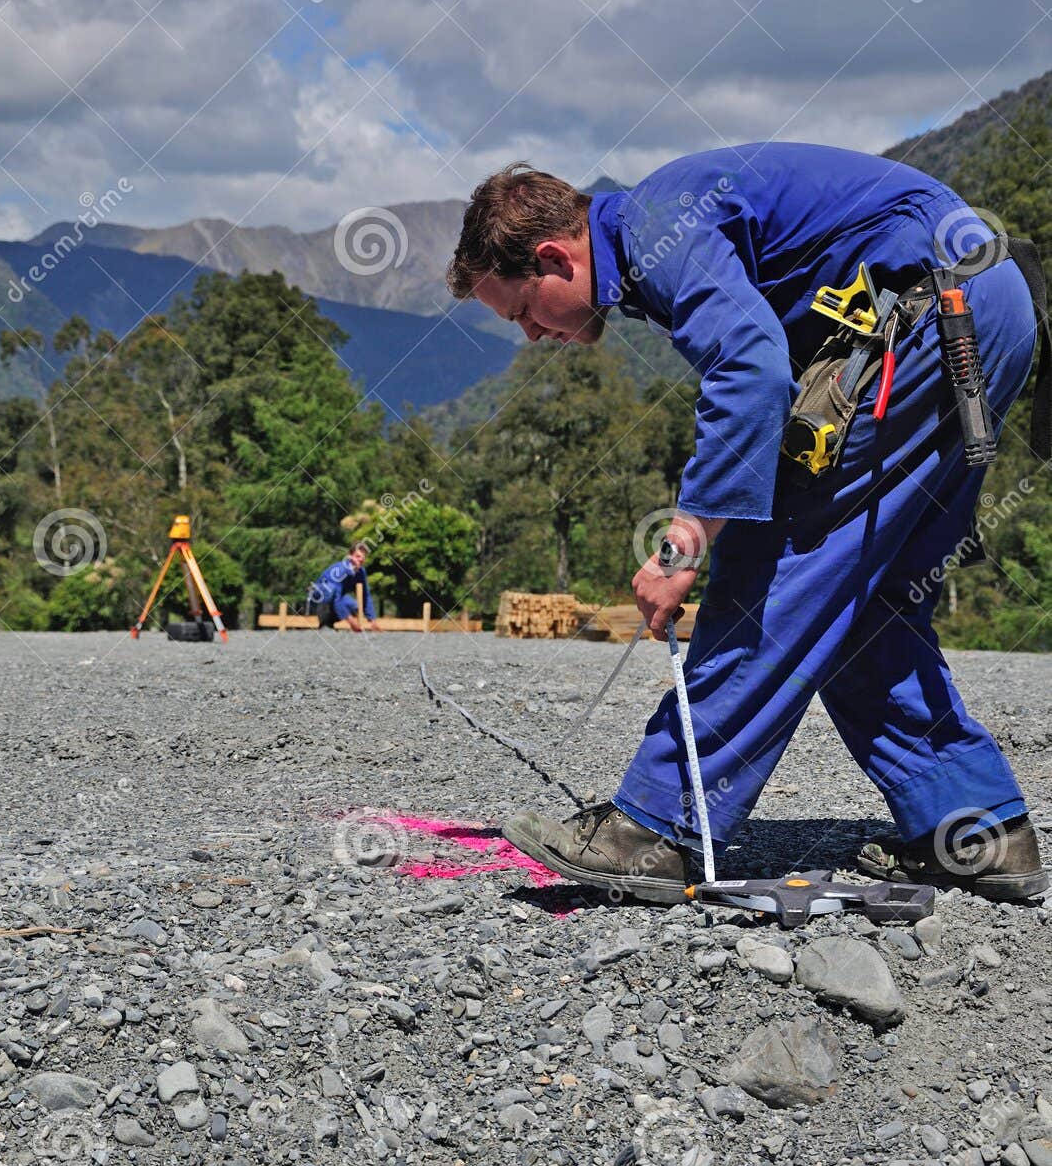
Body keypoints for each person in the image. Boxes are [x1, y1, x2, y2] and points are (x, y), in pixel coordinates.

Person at [445, 146, 1049, 903]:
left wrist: (681, 545)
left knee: (773, 567)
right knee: (863, 599)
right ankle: (975, 833)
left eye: (522, 312)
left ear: (551, 257)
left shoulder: (652, 224)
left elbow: (750, 369)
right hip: (980, 310)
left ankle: (657, 829)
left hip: (937, 318)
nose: (532, 335)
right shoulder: (655, 229)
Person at [309, 545, 380, 632]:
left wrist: (372, 620)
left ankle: (331, 623)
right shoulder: (340, 570)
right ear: (350, 556)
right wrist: (351, 621)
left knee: (354, 606)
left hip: (335, 597)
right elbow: (336, 599)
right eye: (357, 556)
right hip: (318, 599)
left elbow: (365, 596)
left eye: (363, 557)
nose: (361, 559)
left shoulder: (361, 572)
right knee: (331, 590)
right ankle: (324, 624)